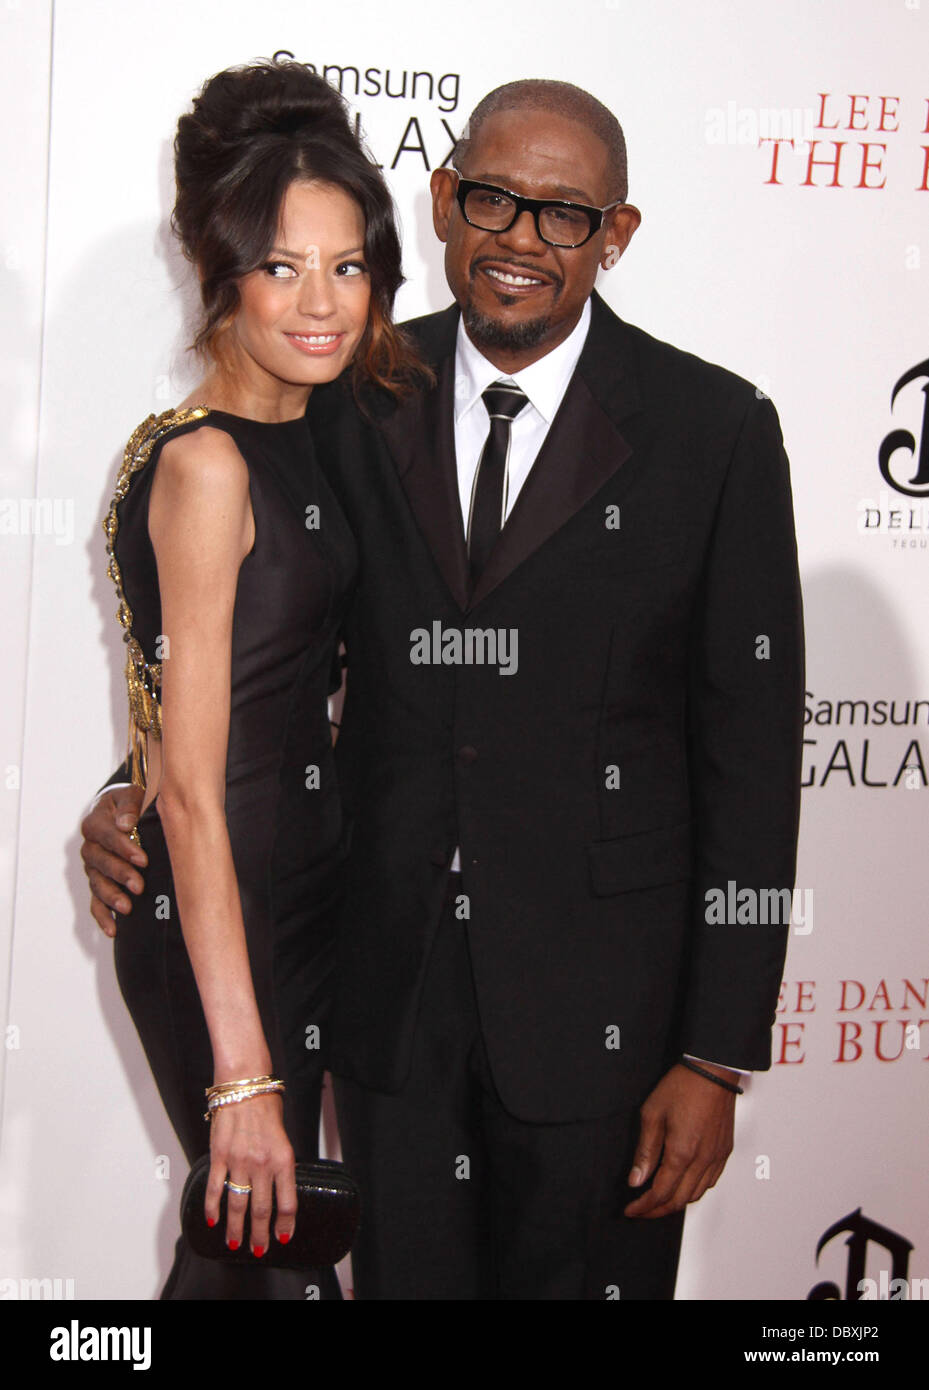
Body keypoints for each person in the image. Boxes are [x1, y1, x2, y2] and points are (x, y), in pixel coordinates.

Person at [84, 78, 804, 1300]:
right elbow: (268, 634)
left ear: (615, 235)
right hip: (385, 1003)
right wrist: (136, 786)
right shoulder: (357, 392)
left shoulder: (713, 432)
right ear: (442, 204)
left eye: (562, 214)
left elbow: (750, 755)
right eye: (492, 200)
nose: (520, 238)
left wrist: (715, 1054)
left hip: (606, 1027)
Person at [90, 57, 422, 1299]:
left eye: (345, 265)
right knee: (261, 1243)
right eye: (281, 267)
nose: (321, 302)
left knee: (262, 1250)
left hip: (302, 898)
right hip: (220, 916)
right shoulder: (209, 466)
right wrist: (242, 1068)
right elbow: (193, 786)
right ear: (218, 266)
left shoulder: (316, 423)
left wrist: (125, 784)